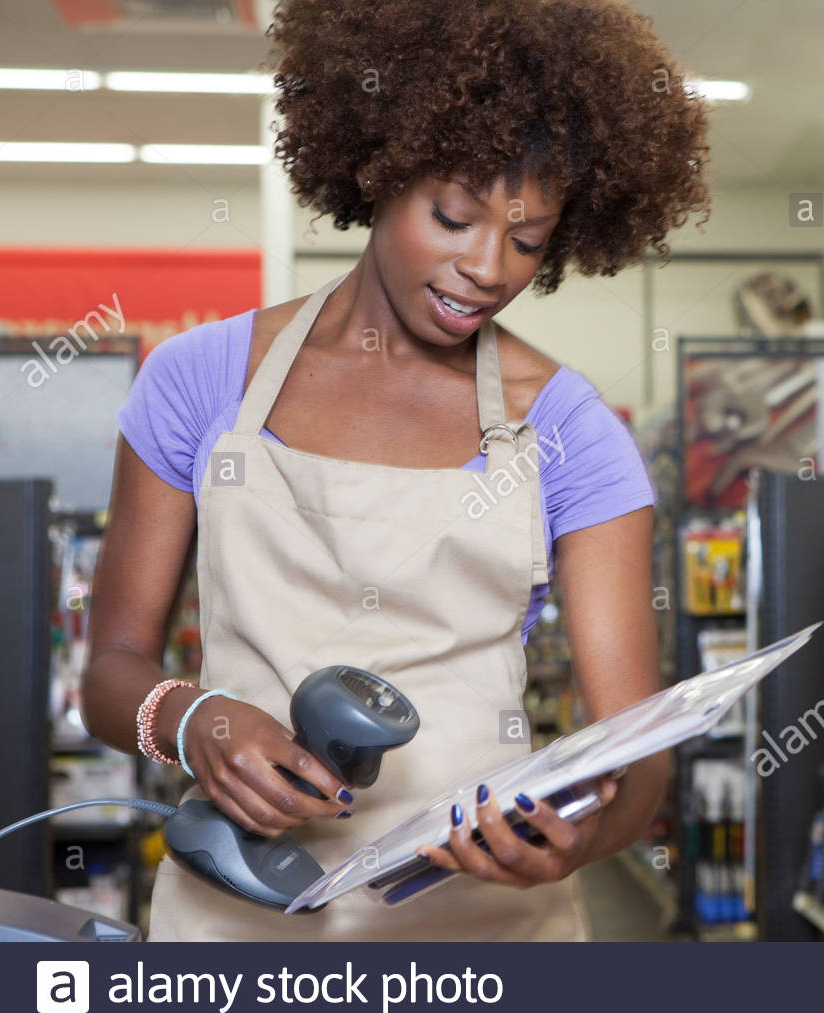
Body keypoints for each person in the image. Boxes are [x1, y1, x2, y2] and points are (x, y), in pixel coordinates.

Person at [80, 0, 711, 941]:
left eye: (529, 239)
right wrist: (194, 718)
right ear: (380, 168)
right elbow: (108, 675)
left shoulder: (571, 428)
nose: (487, 267)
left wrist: (581, 839)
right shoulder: (201, 381)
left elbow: (639, 753)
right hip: (241, 922)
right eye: (453, 217)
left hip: (485, 931)